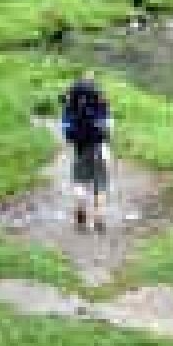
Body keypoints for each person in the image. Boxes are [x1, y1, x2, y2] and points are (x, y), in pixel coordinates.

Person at [60, 71, 113, 231]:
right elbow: (108, 127)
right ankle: (99, 218)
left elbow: (65, 130)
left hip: (79, 149)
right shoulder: (101, 103)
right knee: (101, 185)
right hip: (99, 147)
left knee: (79, 182)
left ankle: (81, 210)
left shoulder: (70, 106)